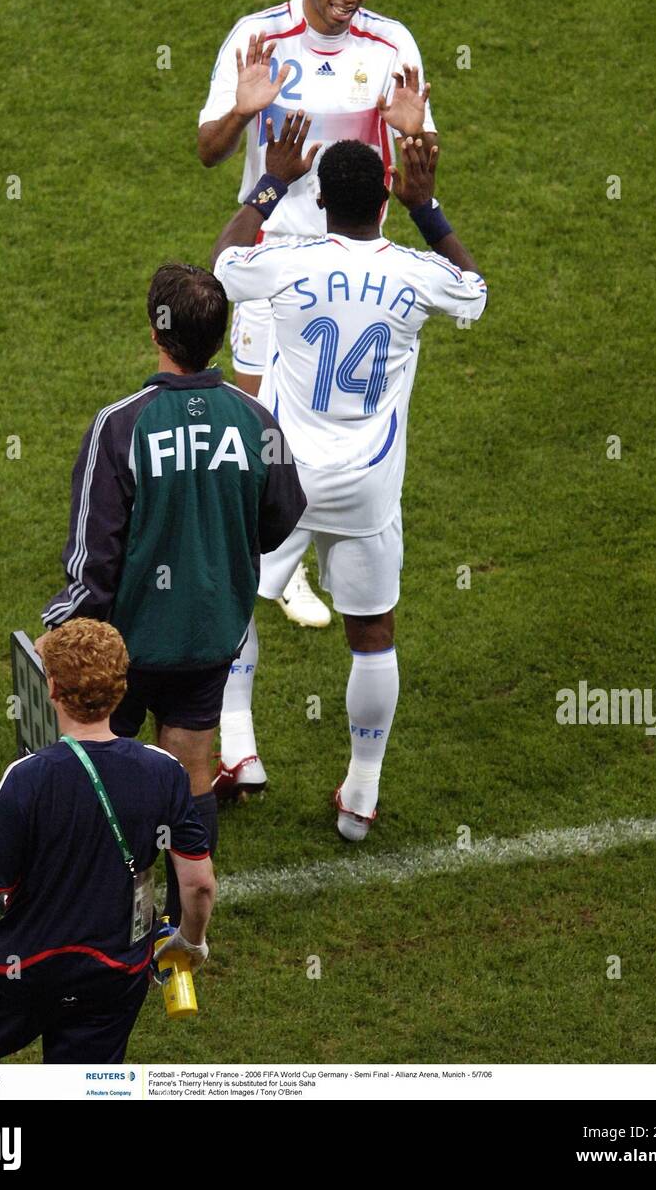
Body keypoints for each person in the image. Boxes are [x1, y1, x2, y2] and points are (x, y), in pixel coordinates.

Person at [212, 115, 488, 839]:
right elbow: (475, 290)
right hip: (366, 487)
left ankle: (239, 751)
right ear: (386, 200)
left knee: (235, 603)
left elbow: (221, 265)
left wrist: (270, 181)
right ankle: (360, 796)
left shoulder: (290, 262)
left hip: (283, 476)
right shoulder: (417, 275)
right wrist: (430, 208)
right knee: (372, 634)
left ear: (321, 199)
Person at [40, 264, 306, 912]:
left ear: (158, 331)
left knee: (107, 773)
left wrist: (62, 630)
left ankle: (119, 904)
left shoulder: (120, 425)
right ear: (218, 338)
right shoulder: (256, 421)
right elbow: (282, 516)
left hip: (127, 643)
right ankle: (191, 923)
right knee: (190, 773)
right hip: (211, 636)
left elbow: (92, 561)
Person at [198, 0, 436, 642]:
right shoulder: (258, 37)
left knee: (339, 419)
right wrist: (240, 113)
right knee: (259, 430)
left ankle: (326, 546)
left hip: (352, 268)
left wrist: (414, 134)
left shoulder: (391, 45)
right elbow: (208, 150)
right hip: (269, 261)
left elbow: (417, 166)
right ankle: (274, 559)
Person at [0, 619, 215, 1064]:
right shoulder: (165, 771)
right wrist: (190, 942)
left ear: (53, 689)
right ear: (120, 688)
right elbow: (198, 884)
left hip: (26, 968)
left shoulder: (28, 777)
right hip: (116, 972)